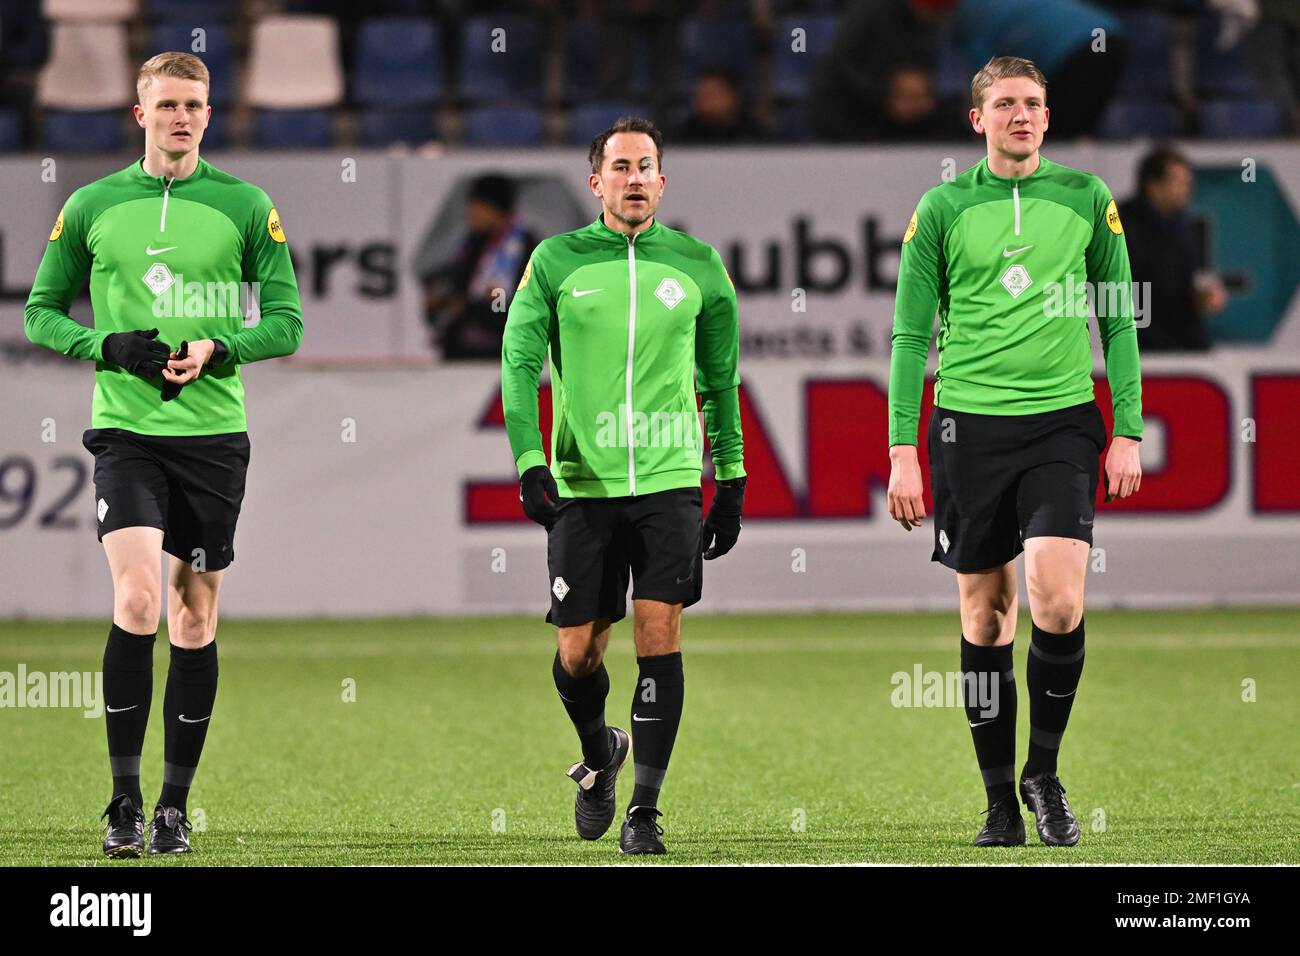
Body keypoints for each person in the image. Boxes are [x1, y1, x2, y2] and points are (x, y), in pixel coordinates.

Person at [24, 52, 303, 857]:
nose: (183, 116)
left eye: (196, 104)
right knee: (139, 604)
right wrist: (105, 344)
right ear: (139, 113)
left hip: (214, 440)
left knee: (193, 616)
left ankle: (175, 809)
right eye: (168, 104)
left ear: (210, 115)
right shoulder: (92, 205)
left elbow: (287, 323)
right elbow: (41, 312)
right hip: (127, 434)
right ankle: (123, 802)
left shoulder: (246, 205)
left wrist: (222, 346)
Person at [886, 56, 1143, 847]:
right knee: (987, 614)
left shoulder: (1087, 198)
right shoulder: (941, 208)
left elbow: (1119, 321)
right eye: (1005, 105)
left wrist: (1127, 425)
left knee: (1058, 599)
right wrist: (902, 447)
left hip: (1062, 423)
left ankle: (1044, 771)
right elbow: (908, 334)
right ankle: (1000, 803)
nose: (1021, 116)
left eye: (1032, 104)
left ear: (1047, 116)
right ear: (978, 119)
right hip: (966, 428)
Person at [501, 116, 745, 855]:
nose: (635, 178)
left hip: (670, 480)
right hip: (582, 483)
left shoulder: (700, 266)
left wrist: (729, 477)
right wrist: (529, 461)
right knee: (579, 652)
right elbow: (517, 366)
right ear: (596, 182)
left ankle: (645, 810)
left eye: (647, 167)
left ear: (662, 182)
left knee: (658, 634)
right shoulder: (555, 261)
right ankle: (600, 753)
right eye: (621, 166)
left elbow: (720, 380)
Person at [421, 174, 537, 361]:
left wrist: (470, 307)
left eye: (477, 206)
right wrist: (439, 300)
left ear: (496, 209)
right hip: (464, 351)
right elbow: (456, 285)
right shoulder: (473, 245)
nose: (471, 213)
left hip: (504, 353)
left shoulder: (525, 248)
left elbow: (505, 308)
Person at [1121, 146, 1225, 352]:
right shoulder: (1123, 224)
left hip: (1187, 340)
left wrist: (1205, 295)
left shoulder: (1185, 226)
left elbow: (1196, 276)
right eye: (1179, 182)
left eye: (1188, 182)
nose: (1187, 188)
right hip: (1144, 343)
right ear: (1154, 186)